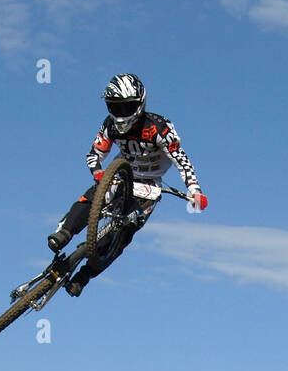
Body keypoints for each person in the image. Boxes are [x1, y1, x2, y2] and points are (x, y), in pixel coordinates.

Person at [47, 74, 206, 296]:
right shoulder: (109, 125)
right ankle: (64, 232)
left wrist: (195, 190)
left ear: (140, 104)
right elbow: (94, 154)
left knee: (123, 234)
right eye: (115, 108)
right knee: (94, 196)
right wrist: (98, 172)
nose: (121, 115)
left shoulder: (159, 127)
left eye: (127, 108)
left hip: (148, 186)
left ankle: (83, 277)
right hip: (120, 174)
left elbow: (181, 159)